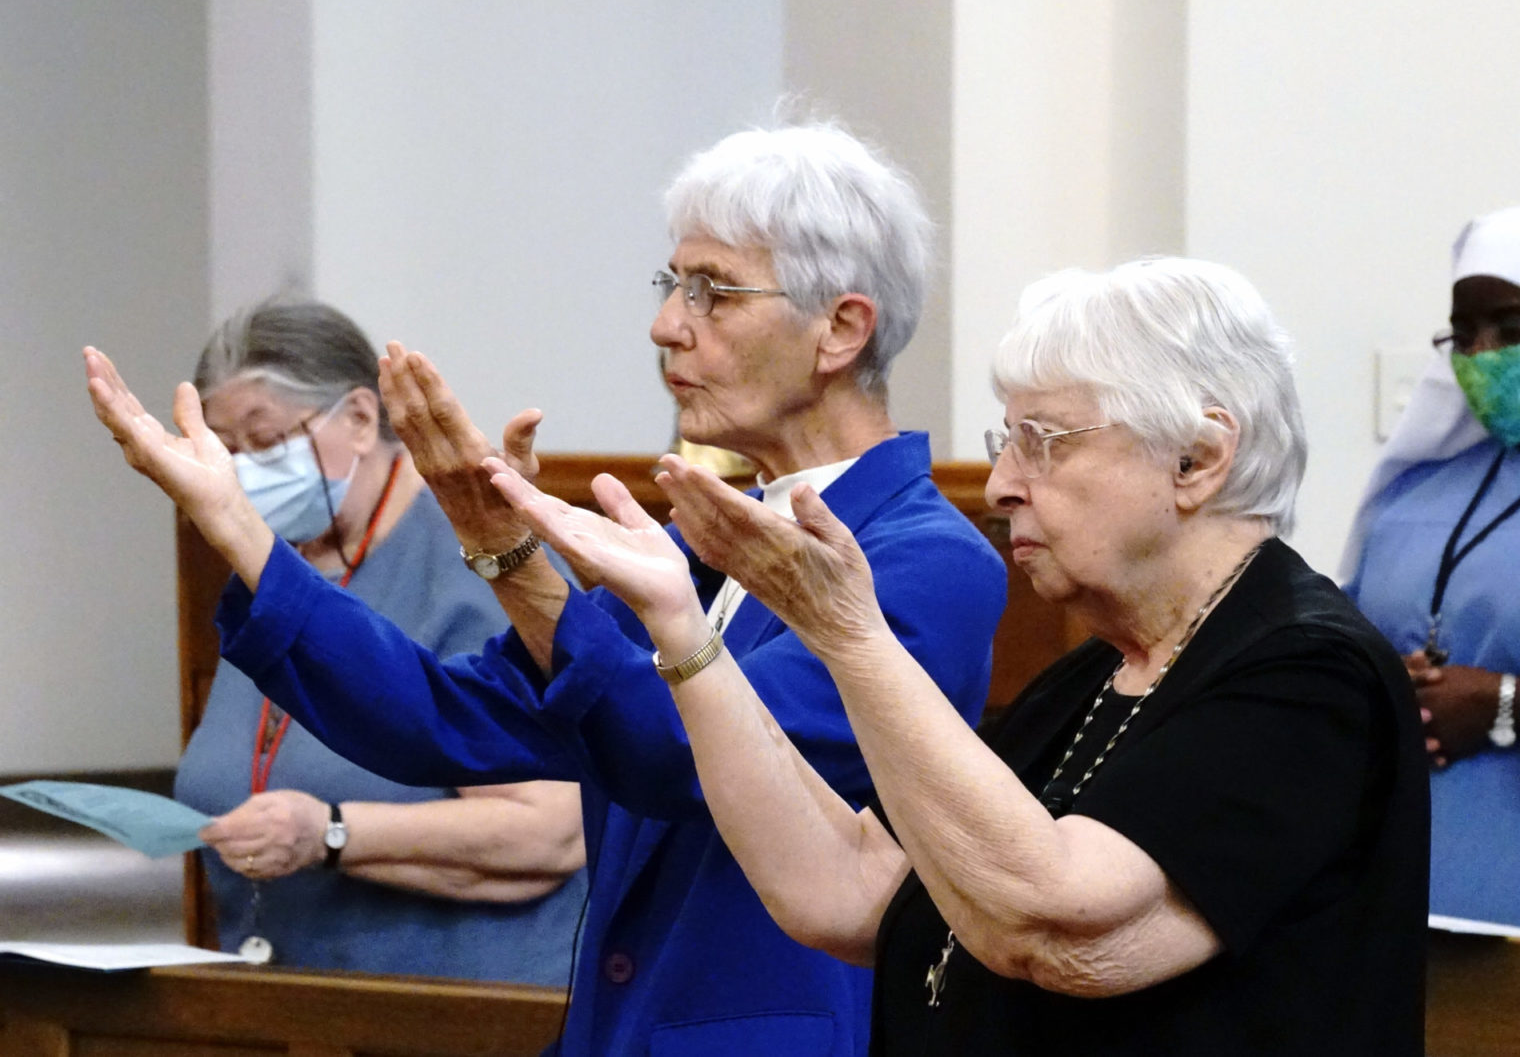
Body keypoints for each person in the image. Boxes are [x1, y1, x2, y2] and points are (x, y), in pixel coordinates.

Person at [84, 123, 1007, 1055]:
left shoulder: (927, 561)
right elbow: (441, 717)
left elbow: (685, 758)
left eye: (712, 292)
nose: (666, 324)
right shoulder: (697, 545)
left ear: (841, 329)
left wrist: (516, 561)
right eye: (670, 284)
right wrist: (238, 528)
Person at [495, 257, 1430, 1055]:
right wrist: (684, 633)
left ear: (1197, 458)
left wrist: (850, 635)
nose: (1005, 485)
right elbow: (848, 891)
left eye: (1043, 441)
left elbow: (1053, 923)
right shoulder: (1094, 679)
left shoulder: (1307, 674)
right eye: (1005, 439)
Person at [171, 301, 587, 982]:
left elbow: (552, 828)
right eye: (225, 448)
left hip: (468, 1010)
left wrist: (331, 831)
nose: (244, 472)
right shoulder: (273, 570)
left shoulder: (472, 568)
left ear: (361, 418)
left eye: (266, 439)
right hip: (278, 1007)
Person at [1342, 204, 1520, 928]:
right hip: (1394, 873)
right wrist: (1381, 676)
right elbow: (1348, 624)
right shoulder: (1423, 484)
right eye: (1465, 332)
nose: (1484, 353)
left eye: (1513, 328)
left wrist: (1508, 702)